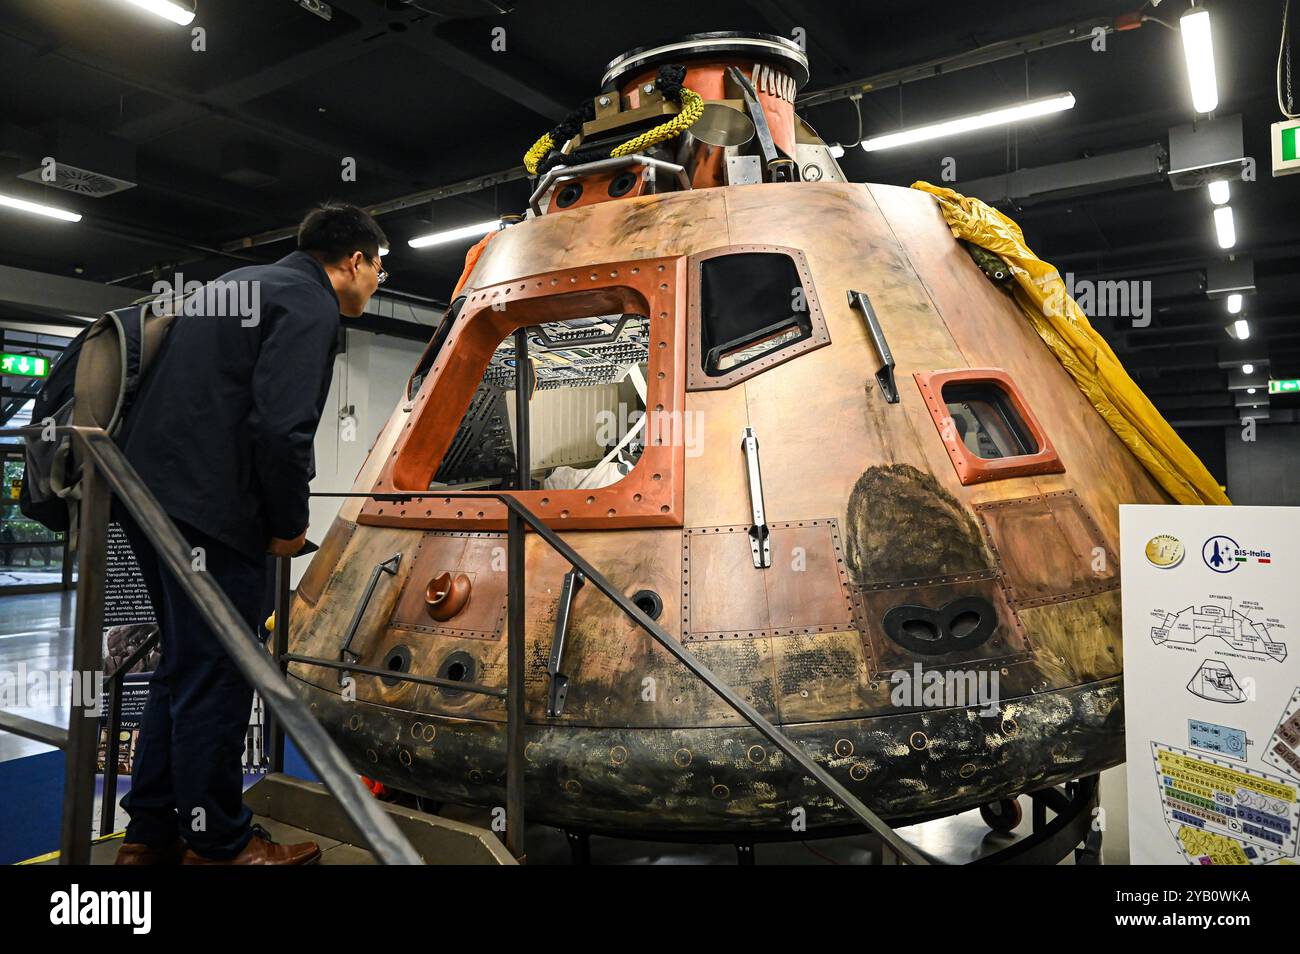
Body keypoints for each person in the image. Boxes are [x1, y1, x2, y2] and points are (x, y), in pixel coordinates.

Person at [112, 203, 389, 865]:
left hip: (146, 499)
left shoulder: (237, 287)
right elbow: (281, 429)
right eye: (380, 267)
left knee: (181, 671)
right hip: (213, 513)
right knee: (220, 674)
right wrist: (289, 526)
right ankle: (222, 845)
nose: (379, 281)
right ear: (354, 260)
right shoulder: (310, 304)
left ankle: (147, 837)